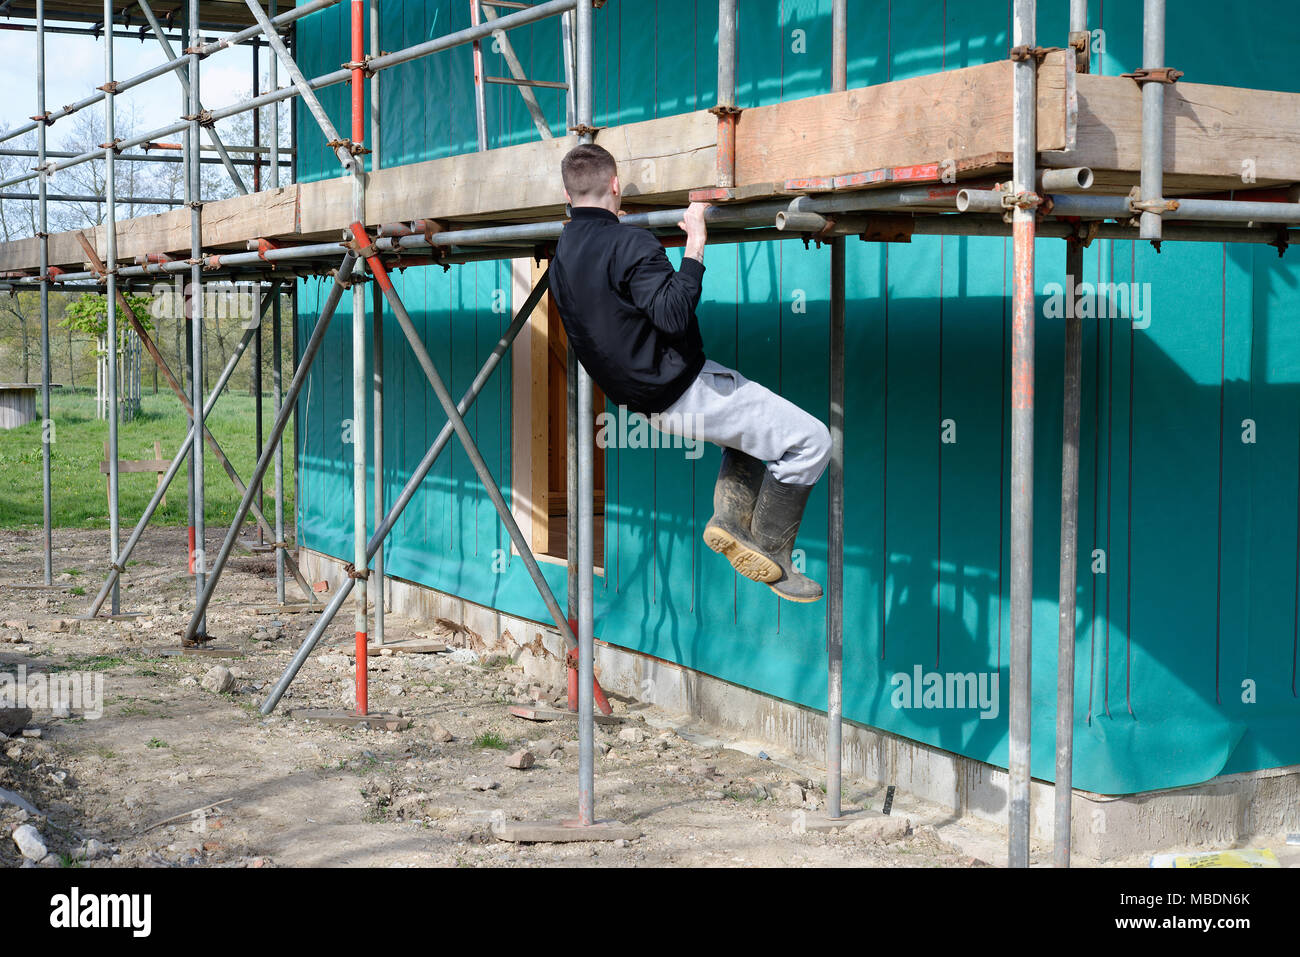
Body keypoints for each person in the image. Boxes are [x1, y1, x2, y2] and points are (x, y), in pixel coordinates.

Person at [548, 143, 831, 602]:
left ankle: (732, 520)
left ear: (567, 191)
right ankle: (773, 553)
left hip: (644, 401)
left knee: (748, 432)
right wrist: (695, 243)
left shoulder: (563, 254)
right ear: (616, 185)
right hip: (683, 390)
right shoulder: (631, 242)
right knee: (812, 441)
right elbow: (673, 315)